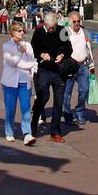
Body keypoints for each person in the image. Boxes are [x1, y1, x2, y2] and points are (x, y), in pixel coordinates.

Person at [31, 10, 71, 142]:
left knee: (59, 101)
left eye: (53, 27)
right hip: (44, 70)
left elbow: (69, 48)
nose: (51, 29)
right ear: (45, 24)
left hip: (59, 71)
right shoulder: (39, 31)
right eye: (49, 27)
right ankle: (34, 123)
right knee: (43, 97)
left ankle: (55, 131)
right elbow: (33, 49)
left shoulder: (62, 30)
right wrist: (42, 55)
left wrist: (63, 55)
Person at [1, 22, 37, 145]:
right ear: (13, 32)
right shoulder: (7, 46)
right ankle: (9, 132)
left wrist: (30, 66)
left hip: (24, 81)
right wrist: (20, 53)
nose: (22, 33)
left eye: (22, 31)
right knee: (10, 109)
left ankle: (27, 134)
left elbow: (33, 60)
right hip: (9, 82)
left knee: (26, 109)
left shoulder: (27, 45)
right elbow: (13, 63)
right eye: (19, 31)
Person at [63, 10, 92, 128]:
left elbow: (89, 48)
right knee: (66, 93)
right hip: (70, 67)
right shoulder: (64, 33)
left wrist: (92, 66)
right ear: (69, 22)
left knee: (84, 90)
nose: (76, 23)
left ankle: (79, 111)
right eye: (74, 21)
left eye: (78, 21)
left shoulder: (85, 32)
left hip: (83, 66)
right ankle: (67, 113)